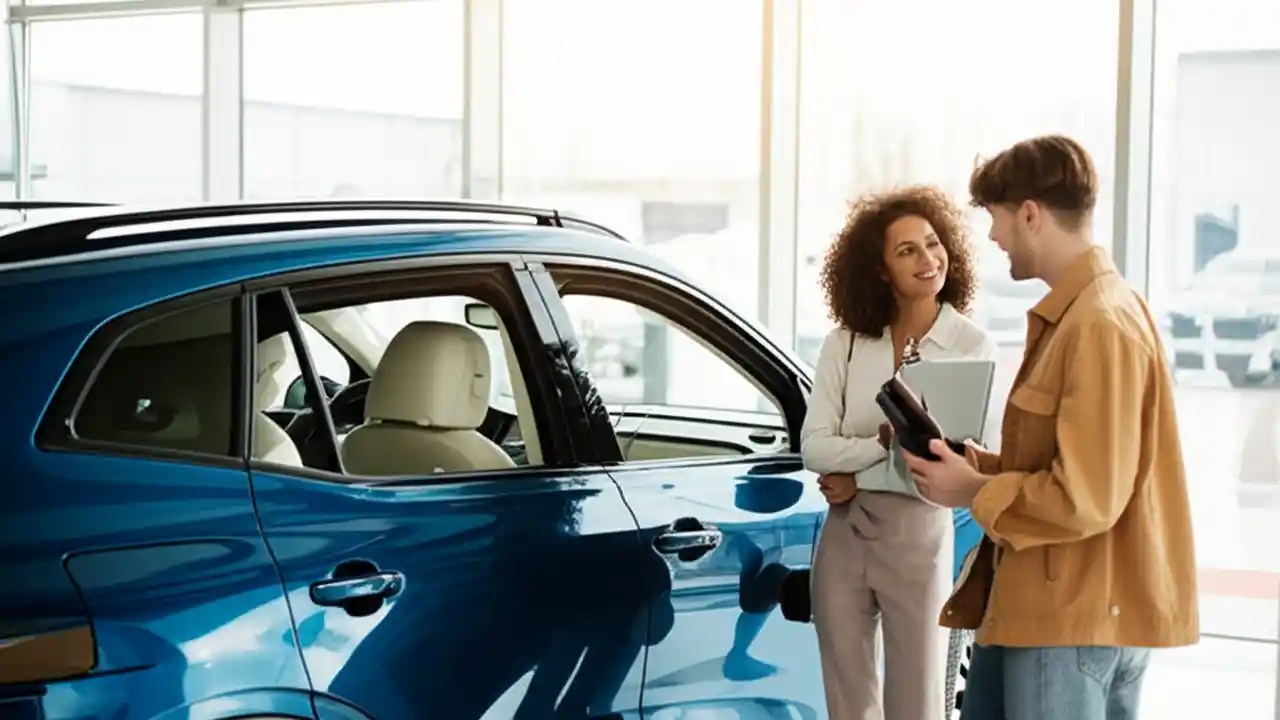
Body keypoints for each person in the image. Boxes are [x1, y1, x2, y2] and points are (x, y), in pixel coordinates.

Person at [903, 134, 1200, 720]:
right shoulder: (1084, 316)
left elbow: (1085, 497)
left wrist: (972, 489)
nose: (993, 238)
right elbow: (1067, 467)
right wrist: (979, 465)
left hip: (1068, 618)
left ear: (1032, 215)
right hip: (1041, 609)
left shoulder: (1099, 324)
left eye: (997, 219)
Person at [801, 185, 997, 720]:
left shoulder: (970, 346)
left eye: (933, 244)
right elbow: (814, 448)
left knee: (916, 705)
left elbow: (956, 461)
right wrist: (877, 448)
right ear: (881, 269)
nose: (927, 259)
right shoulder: (845, 342)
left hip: (918, 536)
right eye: (907, 249)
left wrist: (856, 474)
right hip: (843, 535)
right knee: (848, 702)